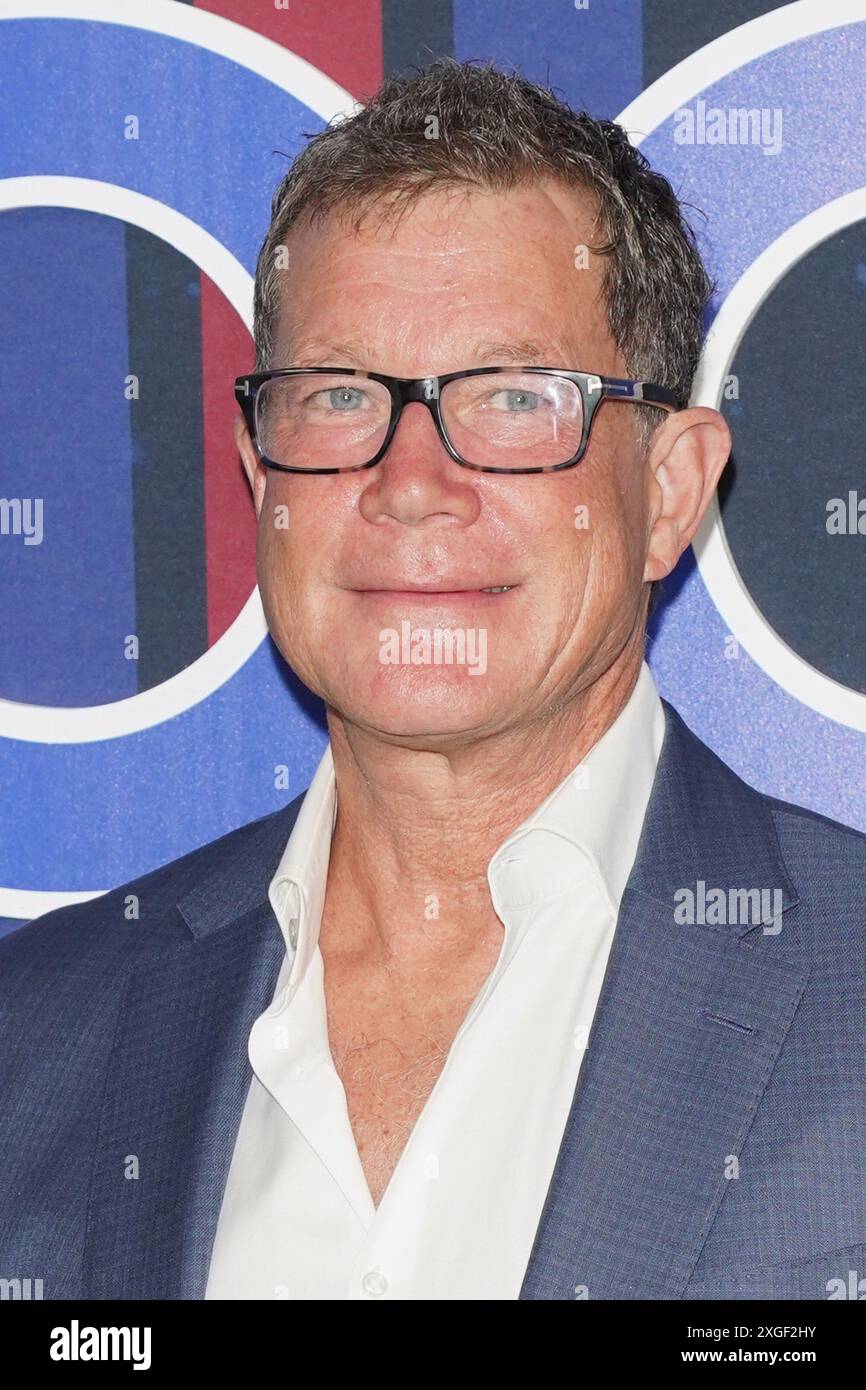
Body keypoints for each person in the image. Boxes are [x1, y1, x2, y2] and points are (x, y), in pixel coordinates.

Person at [1, 58, 864, 1302]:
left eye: (514, 398)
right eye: (341, 396)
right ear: (260, 477)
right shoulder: (37, 1034)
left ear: (668, 490)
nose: (409, 483)